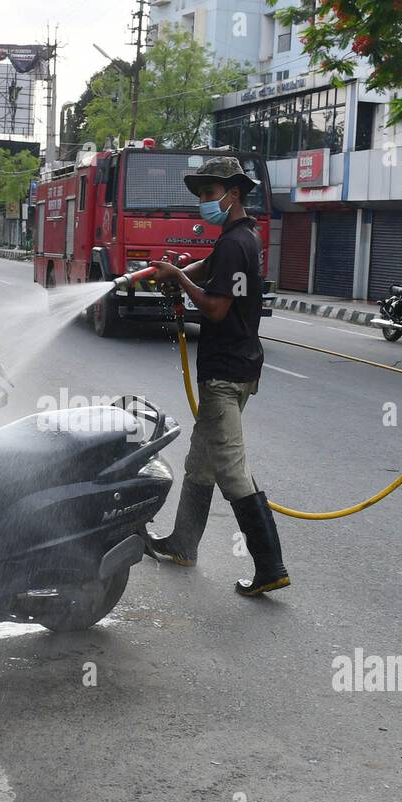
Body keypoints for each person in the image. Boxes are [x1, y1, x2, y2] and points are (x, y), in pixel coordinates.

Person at [144, 157, 289, 596]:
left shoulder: (233, 243)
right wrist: (177, 274)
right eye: (201, 195)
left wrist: (181, 284)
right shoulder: (241, 237)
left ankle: (270, 566)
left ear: (233, 194)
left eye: (209, 194)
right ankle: (183, 544)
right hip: (238, 365)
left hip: (225, 373)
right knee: (200, 462)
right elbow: (208, 268)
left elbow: (216, 307)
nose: (203, 202)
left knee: (230, 468)